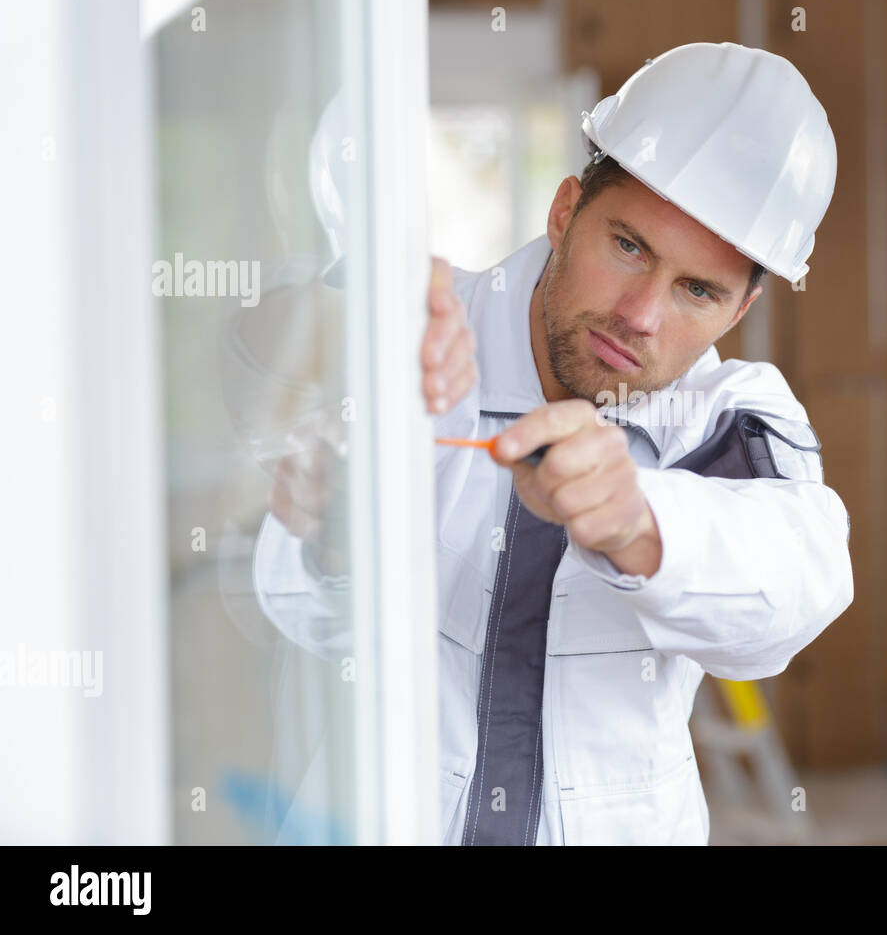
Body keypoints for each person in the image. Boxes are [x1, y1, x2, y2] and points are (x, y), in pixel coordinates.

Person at [252, 41, 852, 844]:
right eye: (629, 246)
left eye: (697, 291)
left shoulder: (725, 417)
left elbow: (794, 592)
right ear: (565, 210)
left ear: (736, 313)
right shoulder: (425, 340)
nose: (642, 314)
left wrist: (640, 525)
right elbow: (300, 612)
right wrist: (330, 529)